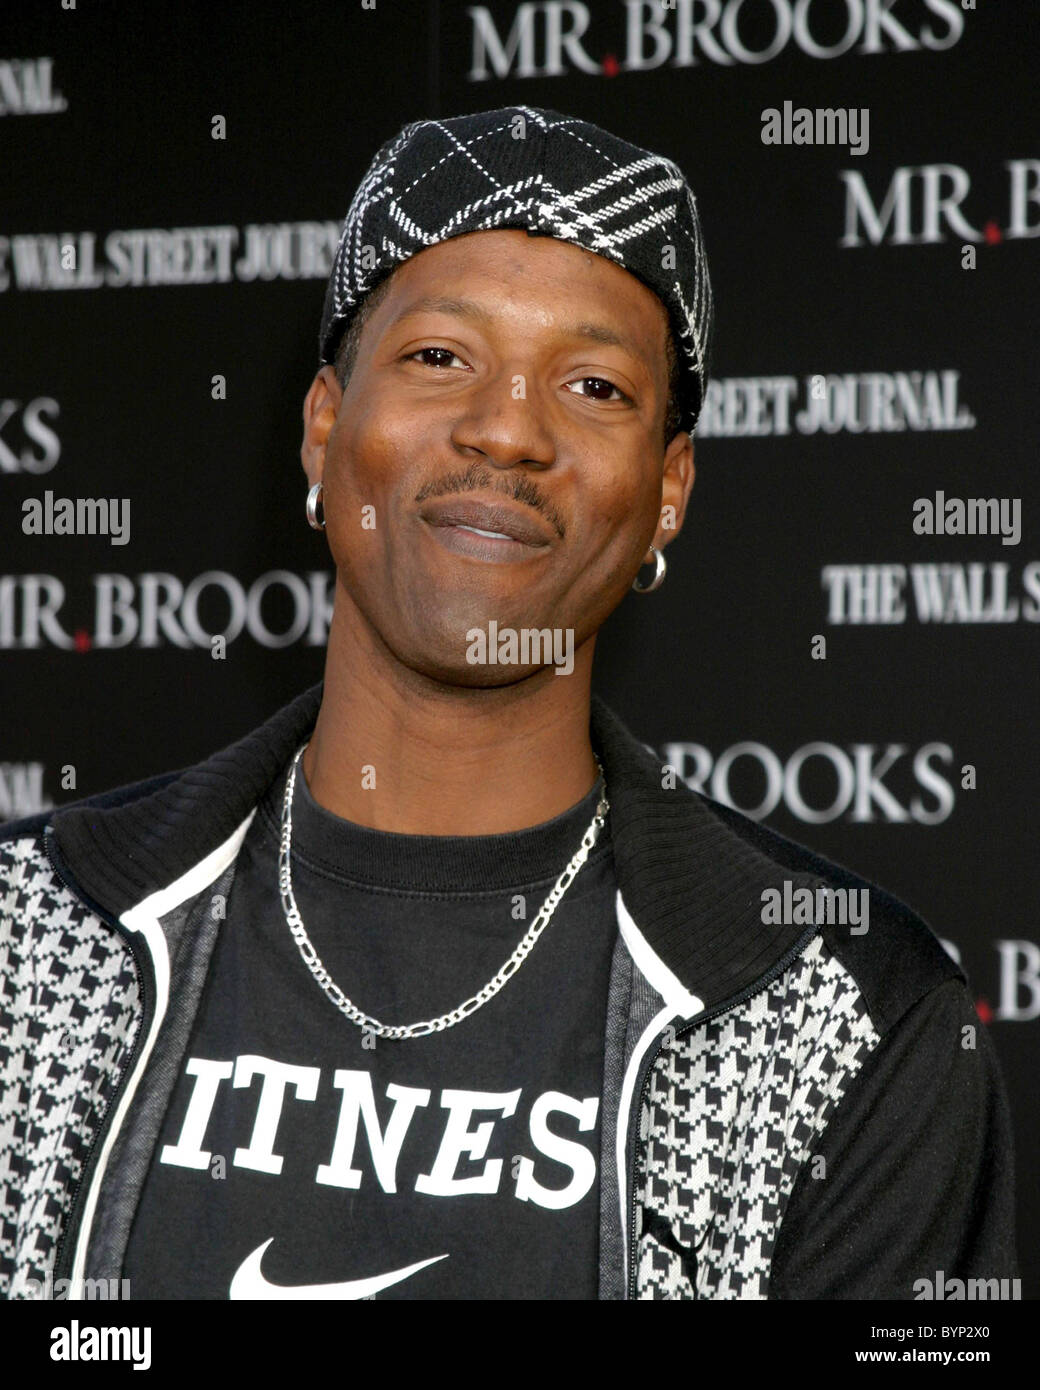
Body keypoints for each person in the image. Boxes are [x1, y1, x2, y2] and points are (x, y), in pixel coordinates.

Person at [0, 106, 1017, 1301]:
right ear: (324, 429)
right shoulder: (28, 945)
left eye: (592, 385)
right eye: (440, 357)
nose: (505, 429)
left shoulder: (850, 1026)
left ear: (668, 489)